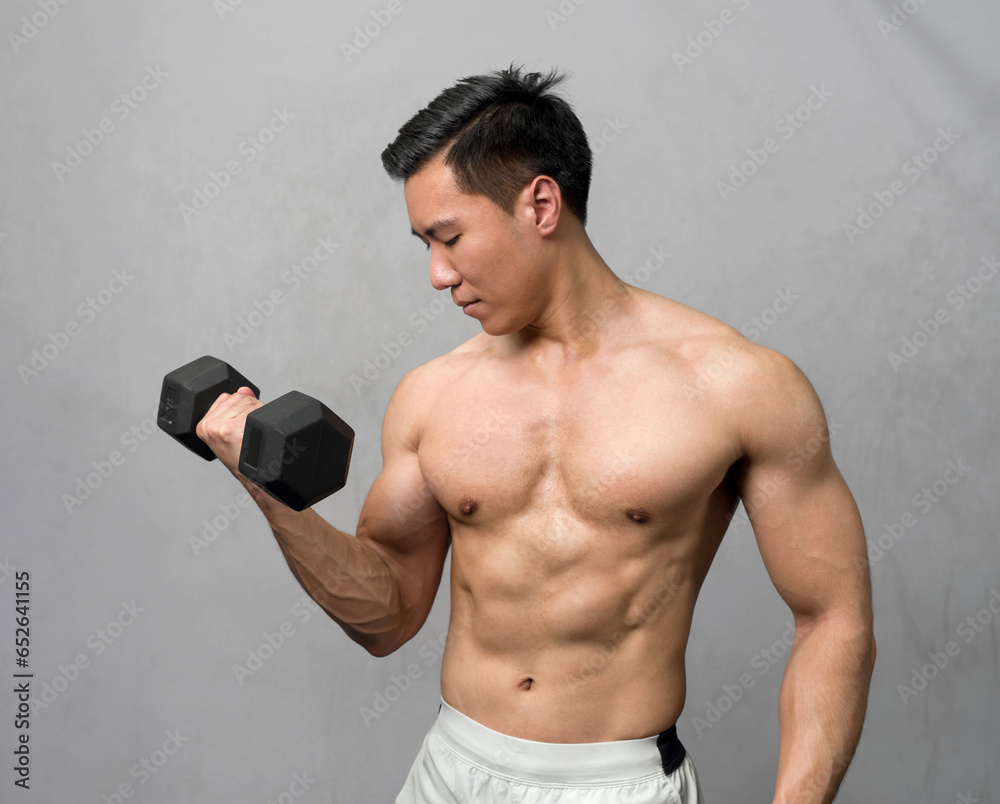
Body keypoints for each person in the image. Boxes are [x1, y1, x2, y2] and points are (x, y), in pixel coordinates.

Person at [196, 65, 876, 804]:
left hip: (614, 784)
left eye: (450, 237)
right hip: (450, 770)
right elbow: (386, 616)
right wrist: (267, 493)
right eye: (424, 243)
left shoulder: (737, 386)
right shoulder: (432, 395)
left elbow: (832, 617)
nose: (435, 274)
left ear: (541, 204)